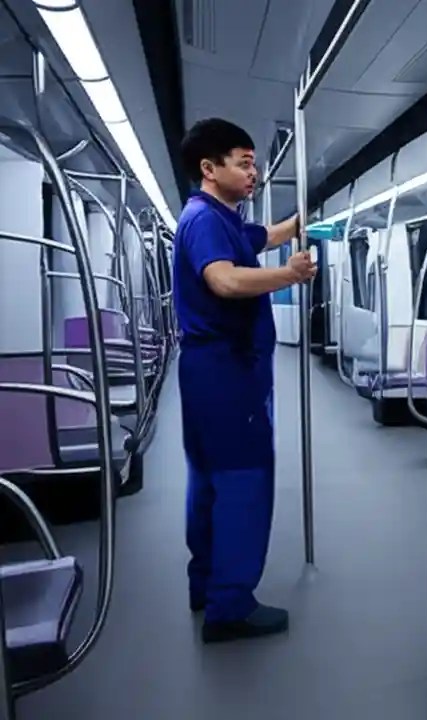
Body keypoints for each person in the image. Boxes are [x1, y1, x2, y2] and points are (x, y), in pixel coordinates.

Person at [172, 118, 316, 643]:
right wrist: (290, 275)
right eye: (243, 162)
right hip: (227, 371)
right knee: (242, 482)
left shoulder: (221, 217)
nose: (253, 172)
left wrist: (301, 221)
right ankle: (230, 605)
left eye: (254, 162)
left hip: (212, 370)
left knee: (208, 478)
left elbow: (266, 236)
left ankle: (205, 582)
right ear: (209, 169)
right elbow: (226, 279)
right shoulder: (205, 222)